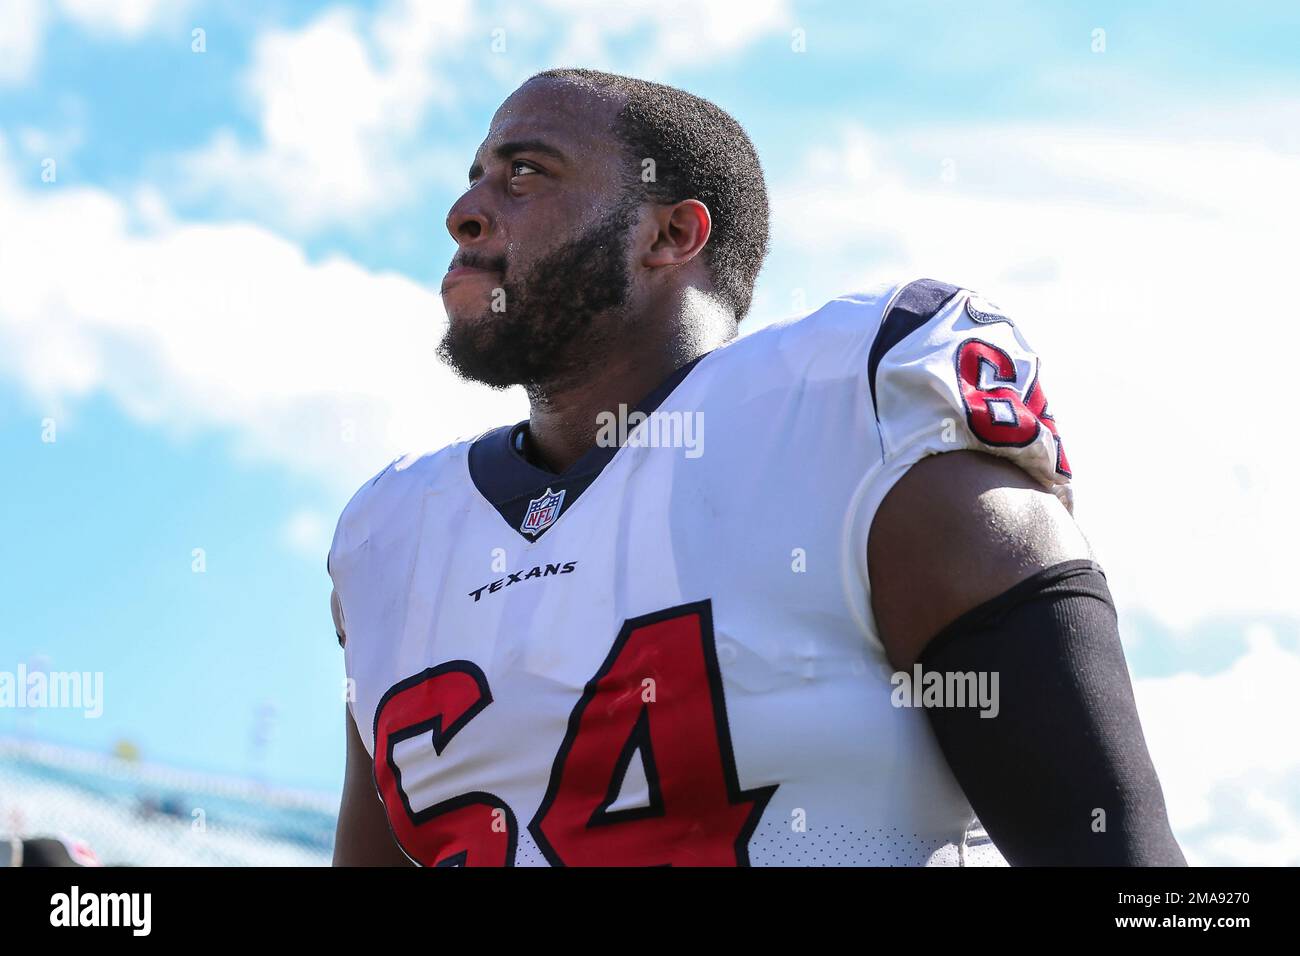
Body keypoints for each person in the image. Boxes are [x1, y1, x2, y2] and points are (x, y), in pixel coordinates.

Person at [328, 68, 1184, 867]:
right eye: (475, 172)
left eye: (524, 172)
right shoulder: (391, 535)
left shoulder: (858, 411)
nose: (464, 211)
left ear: (670, 233)